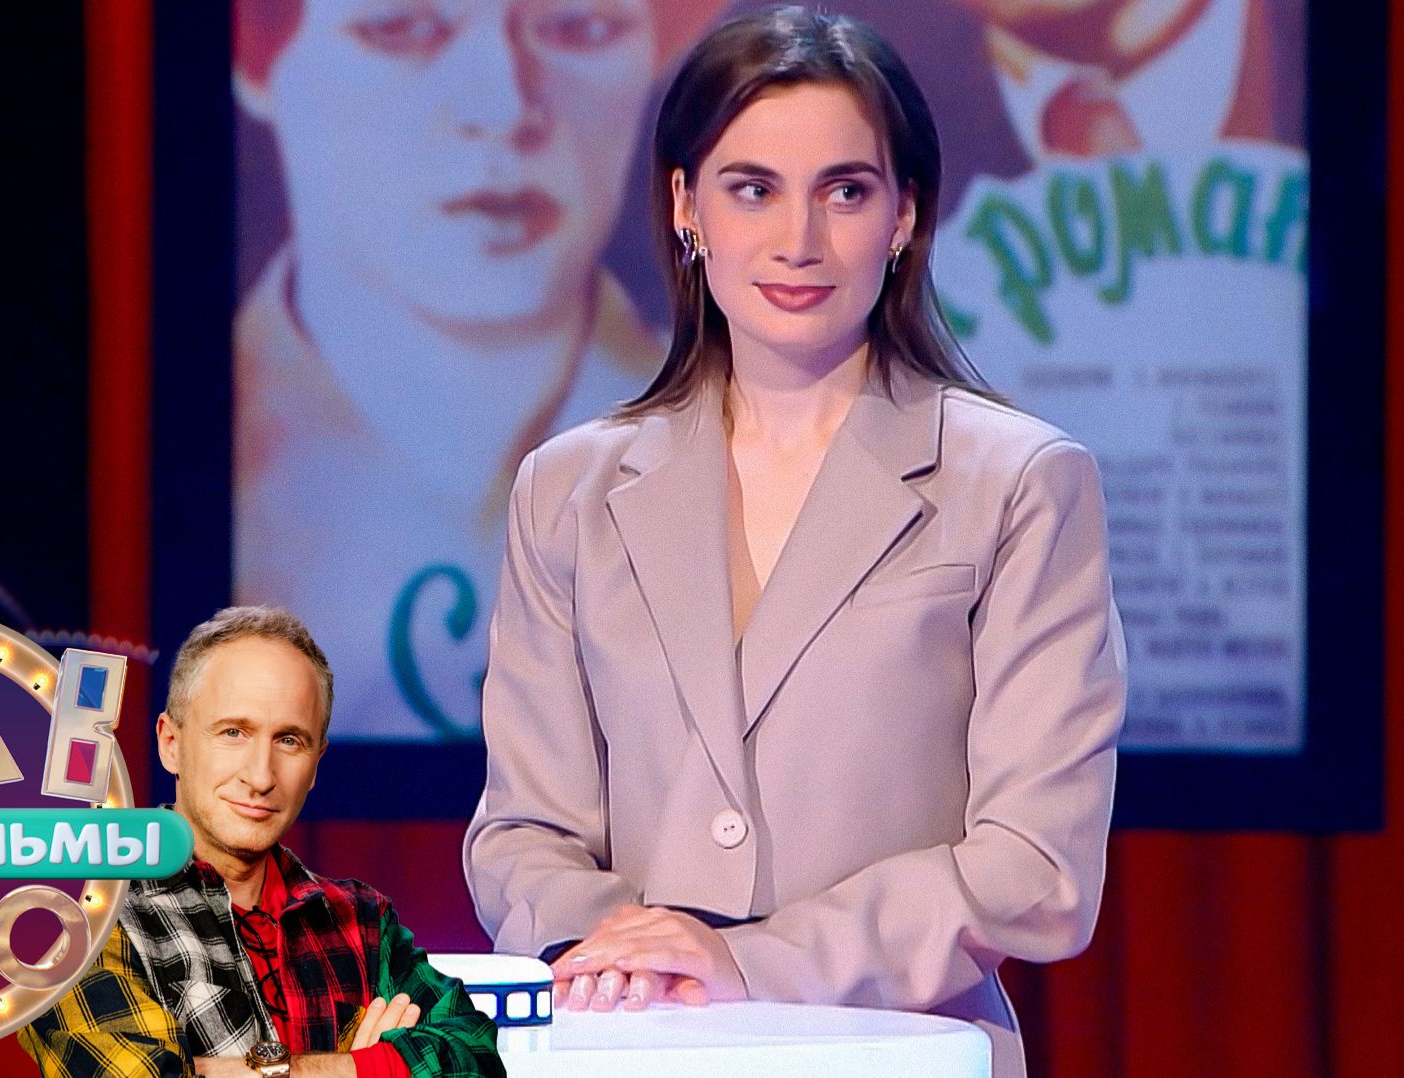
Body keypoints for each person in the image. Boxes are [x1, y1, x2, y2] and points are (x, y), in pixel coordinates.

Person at [462, 7, 1126, 1077]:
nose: (798, 241)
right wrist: (626, 952)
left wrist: (749, 962)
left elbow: (1037, 865)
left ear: (906, 214)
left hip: (899, 1054)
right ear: (686, 206)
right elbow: (522, 834)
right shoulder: (568, 490)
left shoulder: (1020, 484)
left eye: (845, 191)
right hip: (630, 1049)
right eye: (753, 188)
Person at [231, 0, 725, 740]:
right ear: (257, 54)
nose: (504, 108)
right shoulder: (167, 468)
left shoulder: (751, 456)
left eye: (579, 29)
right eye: (401, 30)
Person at [23, 606, 501, 1078]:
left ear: (316, 763)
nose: (260, 776)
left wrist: (224, 1070)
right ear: (171, 743)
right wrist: (367, 1068)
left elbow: (476, 1052)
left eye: (289, 740)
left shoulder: (362, 919)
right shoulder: (83, 910)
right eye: (233, 732)